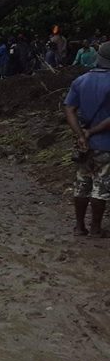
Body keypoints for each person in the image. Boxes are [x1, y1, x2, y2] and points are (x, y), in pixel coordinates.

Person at [64, 42, 110, 237]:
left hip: (83, 145)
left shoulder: (81, 80)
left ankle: (79, 226)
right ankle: (96, 228)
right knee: (101, 186)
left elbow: (69, 109)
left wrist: (81, 135)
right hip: (106, 144)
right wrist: (92, 132)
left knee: (82, 183)